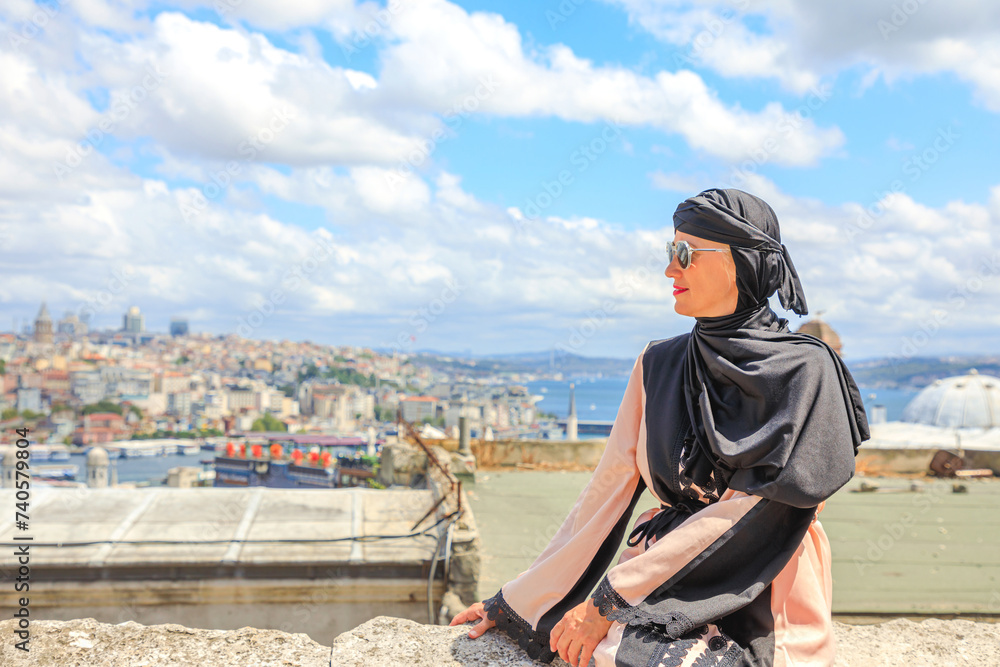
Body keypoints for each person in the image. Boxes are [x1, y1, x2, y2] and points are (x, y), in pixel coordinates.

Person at [450, 188, 870, 667]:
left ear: (740, 263)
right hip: (654, 585)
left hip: (768, 584)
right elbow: (605, 493)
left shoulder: (807, 372)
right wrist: (519, 605)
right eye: (670, 252)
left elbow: (763, 512)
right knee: (582, 645)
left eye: (684, 253)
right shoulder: (657, 363)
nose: (670, 269)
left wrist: (610, 600)